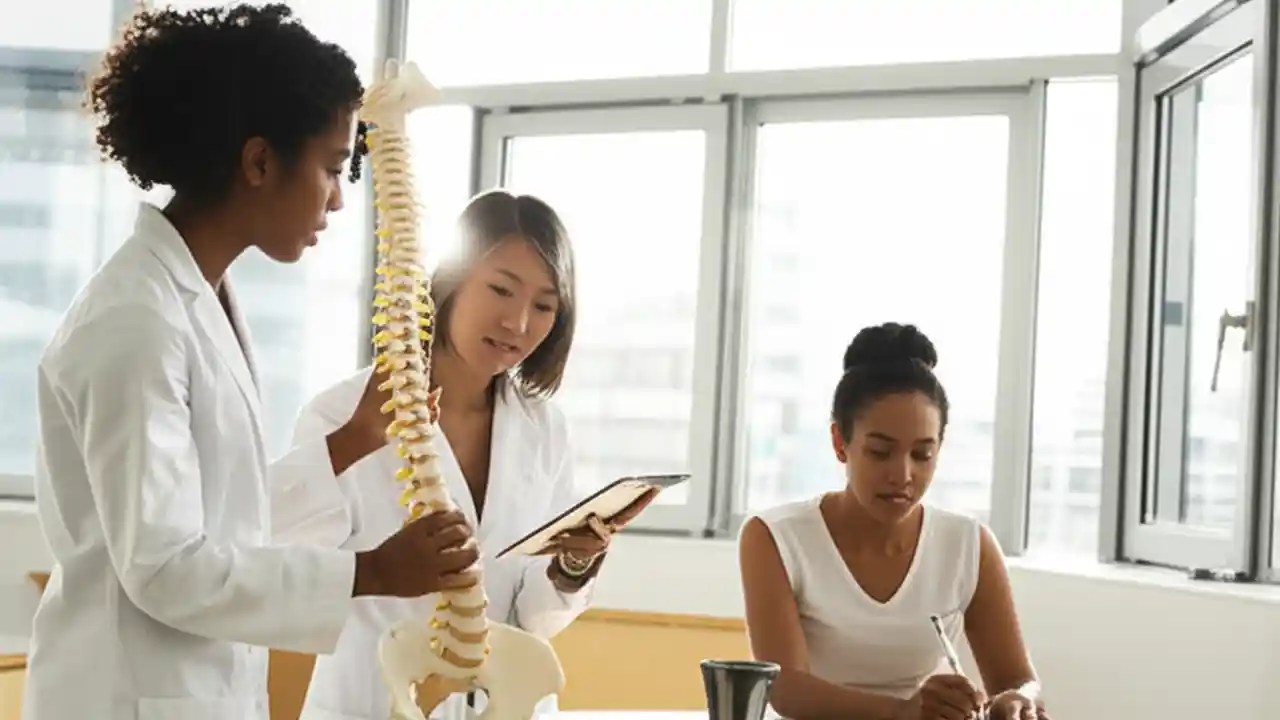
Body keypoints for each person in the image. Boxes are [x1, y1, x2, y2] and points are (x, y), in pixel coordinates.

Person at [23, 6, 478, 720]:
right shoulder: (136, 323)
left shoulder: (194, 298)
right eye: (331, 167)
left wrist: (354, 440)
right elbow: (165, 567)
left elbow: (218, 521)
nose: (338, 198)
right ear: (260, 162)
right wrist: (371, 571)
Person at [292, 189, 658, 720]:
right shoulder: (342, 416)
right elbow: (288, 573)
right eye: (501, 290)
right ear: (451, 281)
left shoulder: (544, 430)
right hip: (373, 702)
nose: (518, 323)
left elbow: (531, 617)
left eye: (544, 306)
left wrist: (573, 564)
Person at [738, 323, 1050, 720]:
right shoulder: (775, 537)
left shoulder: (969, 545)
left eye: (922, 454)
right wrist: (902, 712)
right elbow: (786, 689)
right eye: (880, 452)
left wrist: (1018, 700)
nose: (902, 475)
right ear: (840, 442)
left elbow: (1018, 679)